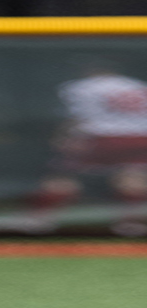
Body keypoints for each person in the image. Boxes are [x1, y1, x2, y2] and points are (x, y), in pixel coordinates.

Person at [20, 63, 147, 237]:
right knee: (132, 178)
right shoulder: (138, 85)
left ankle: (38, 220)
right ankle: (130, 224)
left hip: (99, 137)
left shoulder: (81, 86)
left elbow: (76, 116)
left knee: (63, 177)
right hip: (139, 138)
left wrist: (65, 137)